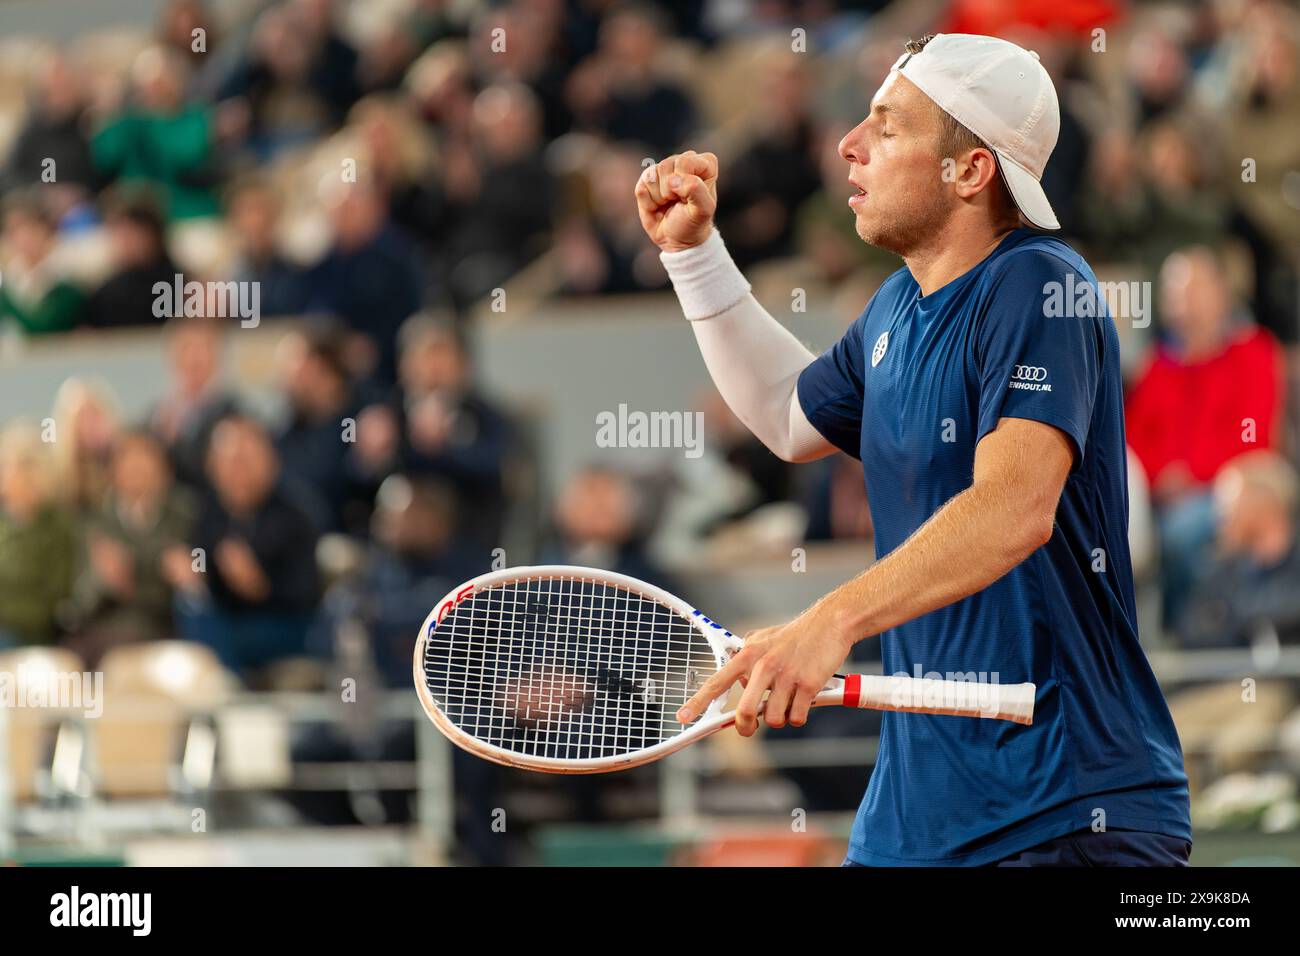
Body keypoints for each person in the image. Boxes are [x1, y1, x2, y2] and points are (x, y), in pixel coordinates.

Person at [638, 34, 1191, 867]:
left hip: (1069, 808)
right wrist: (694, 256)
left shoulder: (1043, 285)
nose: (848, 144)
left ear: (968, 171)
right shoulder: (897, 306)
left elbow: (1013, 509)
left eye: (888, 128)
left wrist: (827, 623)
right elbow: (790, 417)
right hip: (912, 826)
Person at [169, 413, 320, 681]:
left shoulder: (295, 513)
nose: (236, 473)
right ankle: (228, 687)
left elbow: (306, 597)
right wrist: (191, 573)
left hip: (281, 624)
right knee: (189, 606)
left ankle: (228, 693)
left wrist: (260, 587)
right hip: (225, 622)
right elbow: (204, 578)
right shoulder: (211, 514)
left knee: (218, 639)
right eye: (227, 463)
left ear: (270, 462)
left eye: (244, 461)